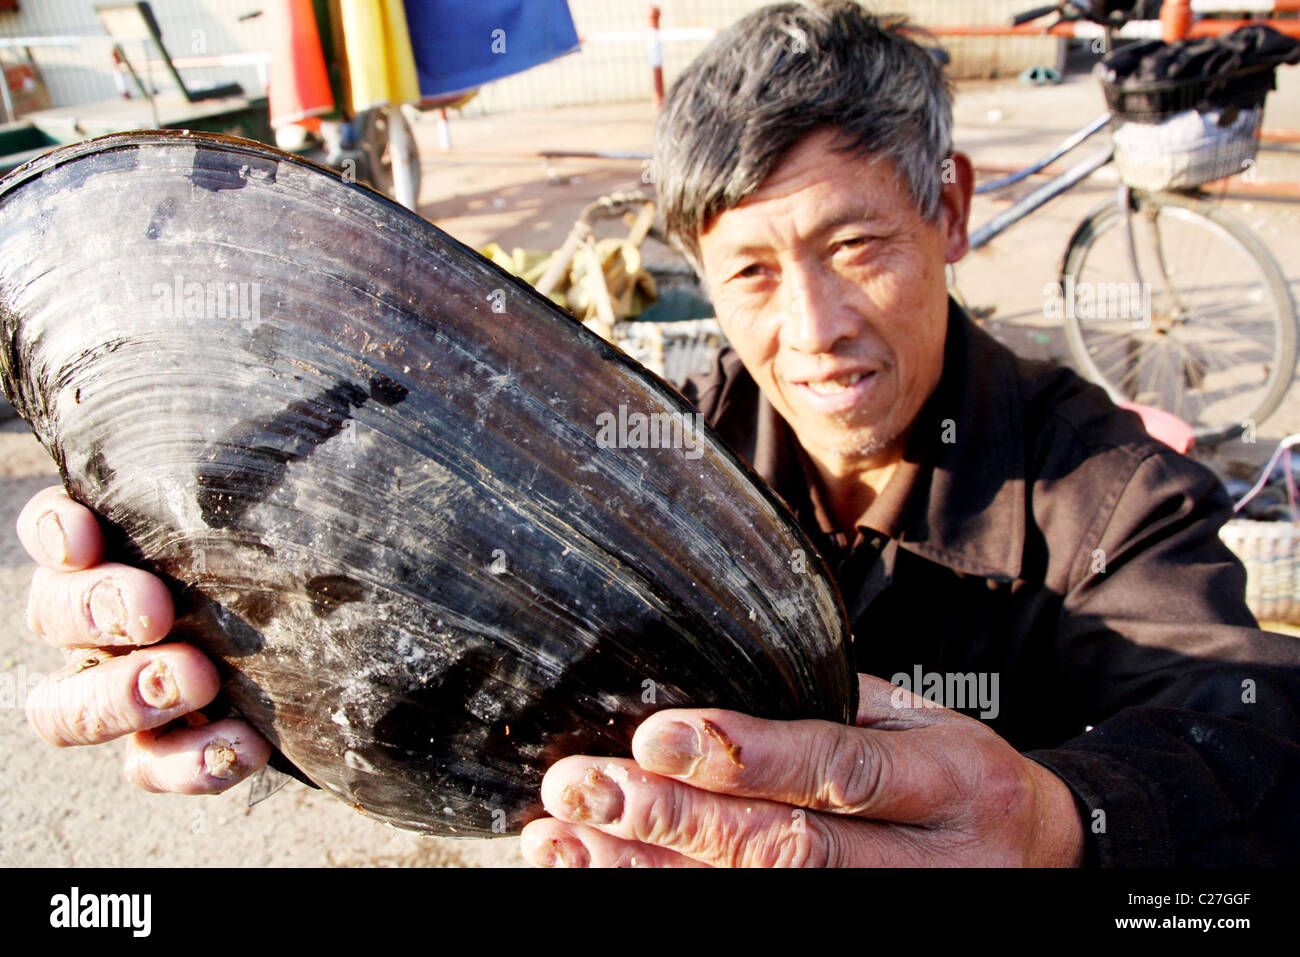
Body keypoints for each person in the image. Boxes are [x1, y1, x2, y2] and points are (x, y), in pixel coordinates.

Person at [17, 0, 1300, 866]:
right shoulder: (639, 451)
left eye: (857, 246)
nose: (815, 330)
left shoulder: (1118, 495)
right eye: (750, 273)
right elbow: (399, 638)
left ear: (950, 210)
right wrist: (223, 661)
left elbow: (1250, 723)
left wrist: (1049, 822)